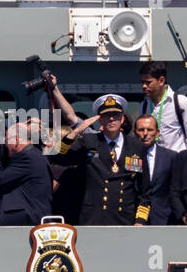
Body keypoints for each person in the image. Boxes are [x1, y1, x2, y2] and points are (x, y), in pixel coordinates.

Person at [54, 94, 152, 225]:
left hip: (126, 220)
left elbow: (144, 190)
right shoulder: (89, 142)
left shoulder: (136, 147)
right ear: (100, 120)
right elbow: (59, 157)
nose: (111, 119)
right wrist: (77, 130)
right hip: (94, 219)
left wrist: (140, 220)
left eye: (116, 115)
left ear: (122, 118)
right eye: (106, 115)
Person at [0, 122, 52, 226]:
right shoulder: (34, 154)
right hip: (29, 219)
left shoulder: (27, 157)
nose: (5, 145)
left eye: (7, 140)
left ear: (16, 140)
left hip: (25, 221)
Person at [138, 61, 187, 152]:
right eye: (142, 82)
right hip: (155, 161)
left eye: (148, 82)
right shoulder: (144, 105)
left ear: (161, 81)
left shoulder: (181, 102)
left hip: (177, 160)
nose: (144, 86)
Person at [133, 114, 179, 225]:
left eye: (149, 130)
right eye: (141, 130)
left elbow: (176, 190)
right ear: (134, 133)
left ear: (157, 133)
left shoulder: (171, 157)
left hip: (163, 219)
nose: (145, 134)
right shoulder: (128, 156)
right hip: (134, 220)